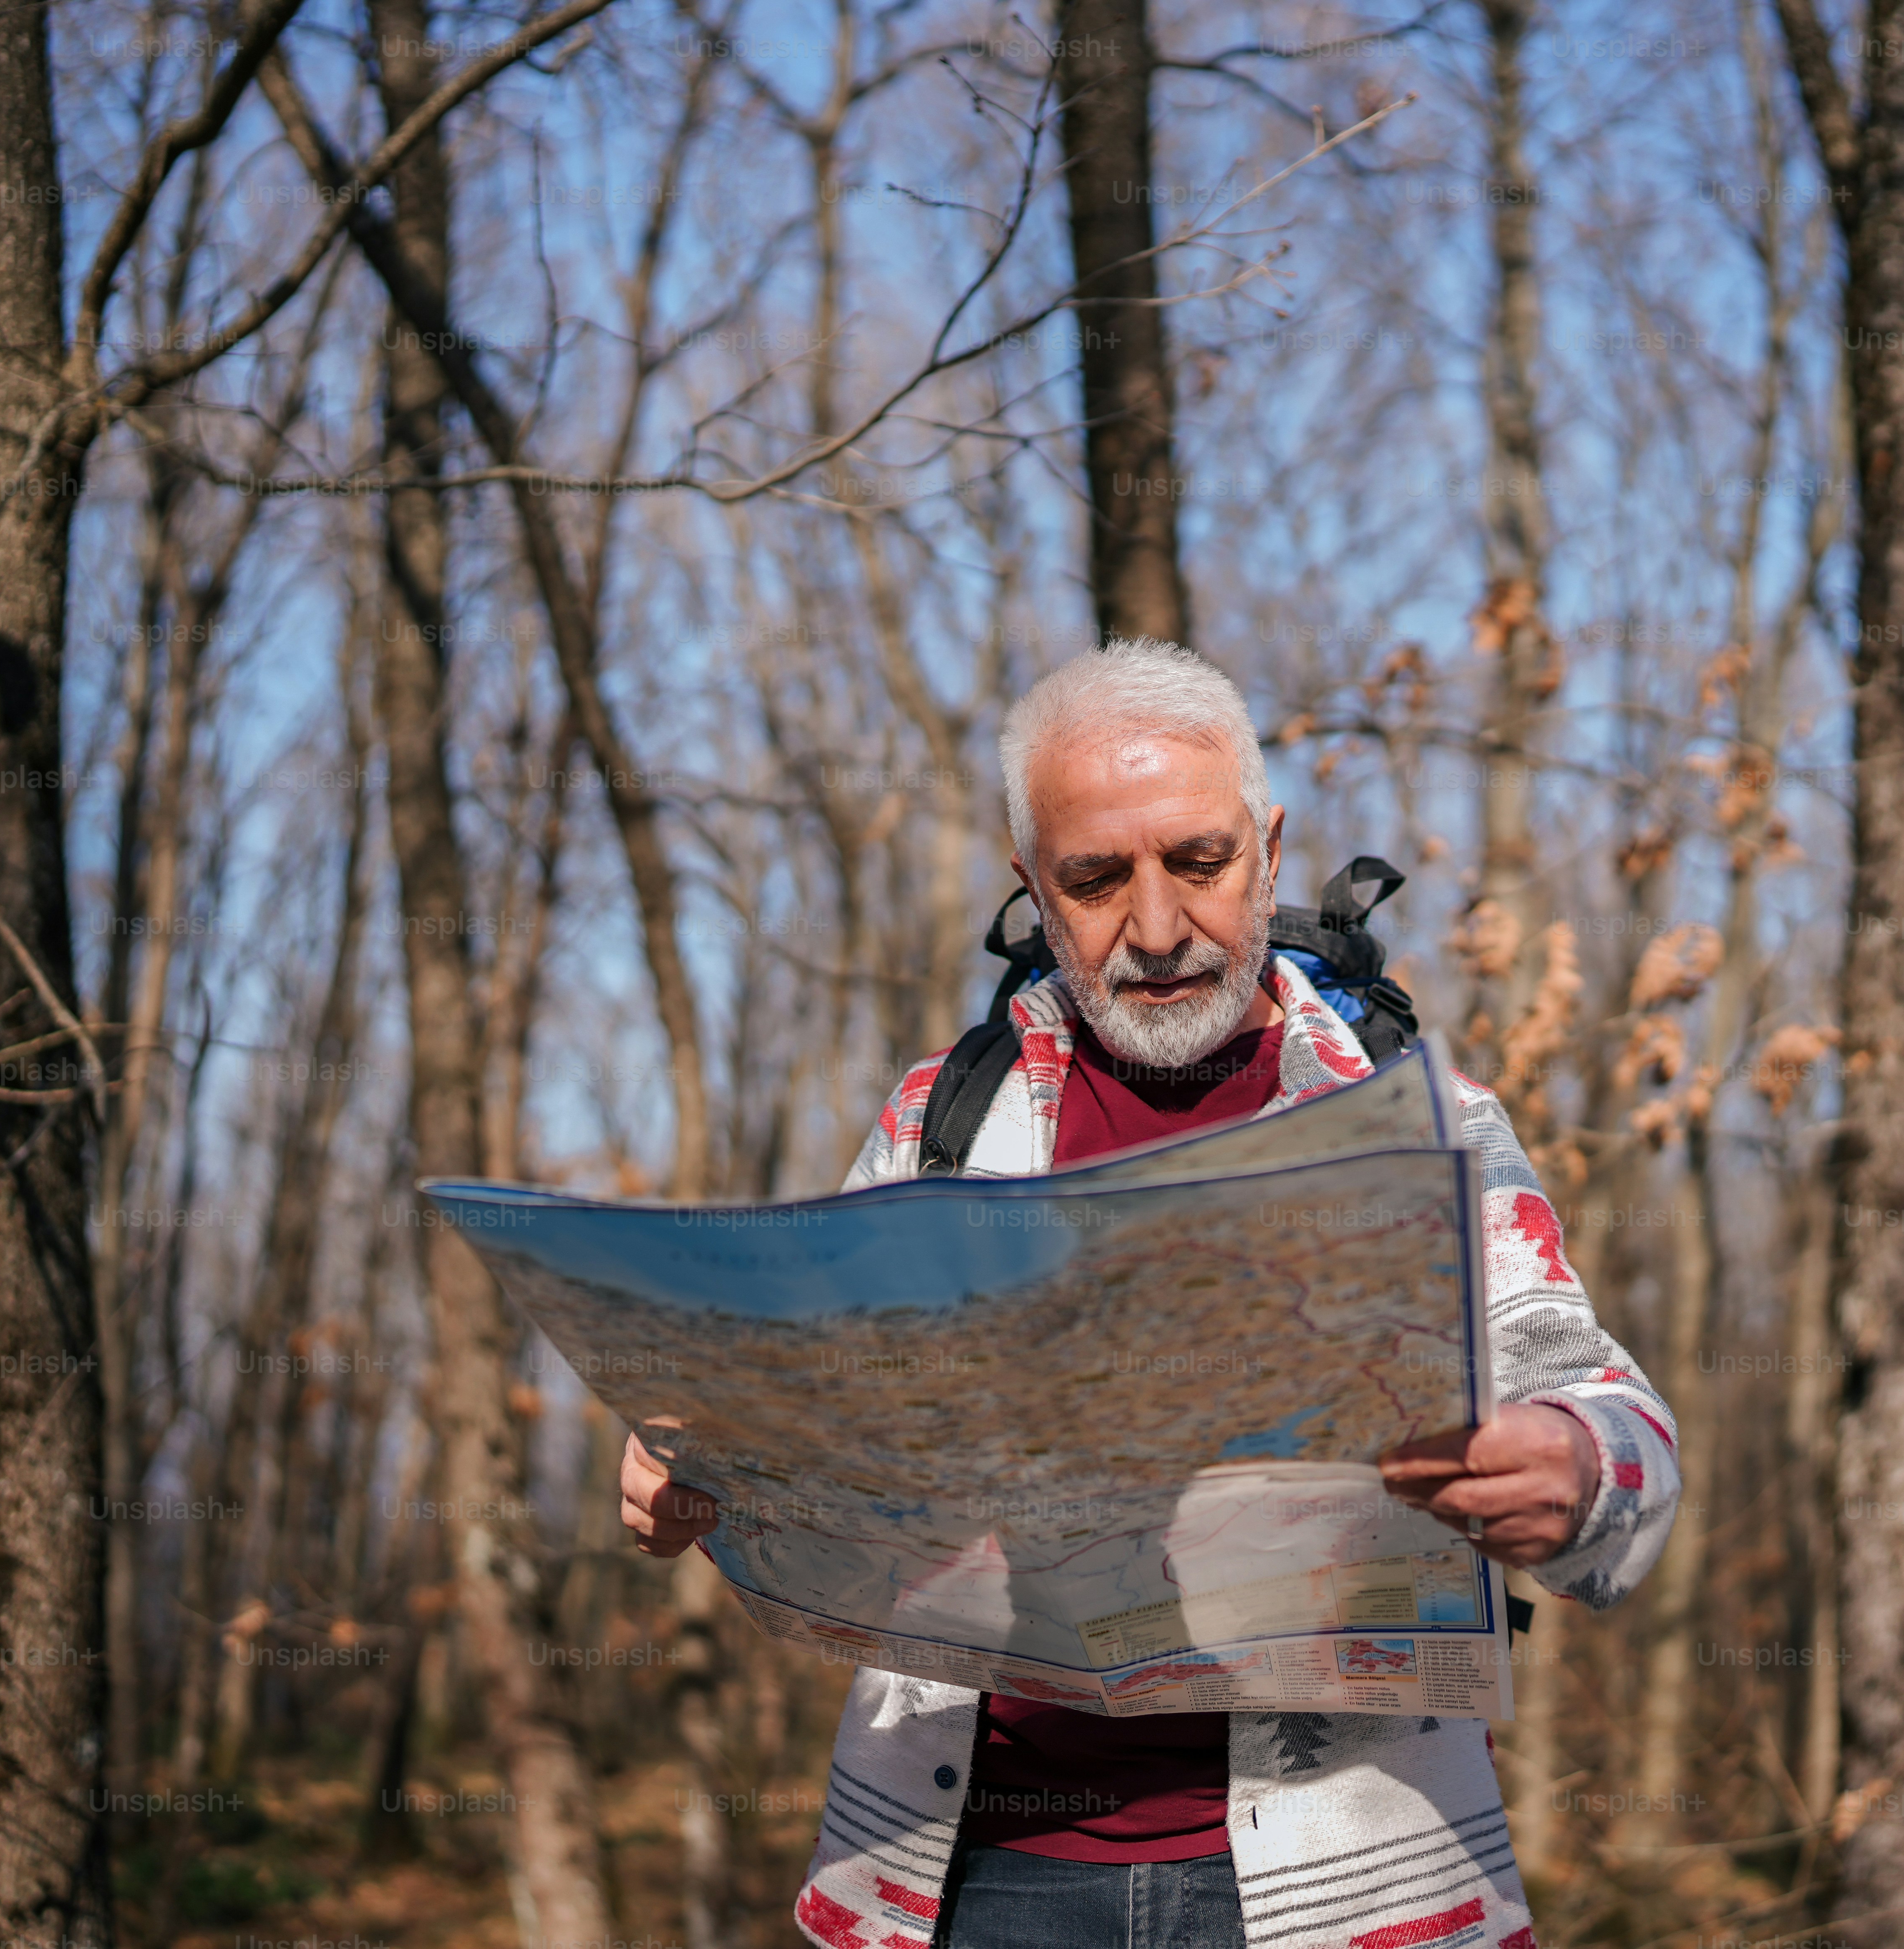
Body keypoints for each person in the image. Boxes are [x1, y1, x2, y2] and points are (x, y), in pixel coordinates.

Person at [621, 640, 1678, 1949]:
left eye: (1199, 861)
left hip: (1347, 1884)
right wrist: (711, 1473)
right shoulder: (940, 1122)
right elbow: (833, 1440)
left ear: (1269, 852)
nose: (1162, 927)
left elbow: (1608, 1406)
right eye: (1095, 880)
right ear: (1032, 885)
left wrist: (1578, 1465)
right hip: (971, 1877)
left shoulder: (1426, 1125)